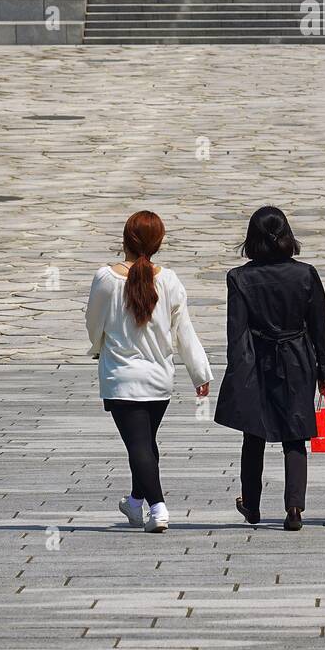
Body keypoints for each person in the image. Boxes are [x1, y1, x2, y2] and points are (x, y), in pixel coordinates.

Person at [85, 211, 212, 533]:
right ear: (159, 243)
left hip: (121, 377)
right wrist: (200, 373)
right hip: (158, 379)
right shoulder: (168, 279)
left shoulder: (106, 278)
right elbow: (184, 331)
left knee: (139, 445)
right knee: (144, 444)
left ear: (125, 239)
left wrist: (99, 344)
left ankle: (158, 508)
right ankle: (134, 501)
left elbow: (93, 323)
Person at [214, 207, 325, 532]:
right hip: (297, 358)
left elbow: (236, 331)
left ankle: (251, 504)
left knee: (254, 433)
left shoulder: (239, 277)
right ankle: (294, 508)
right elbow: (319, 324)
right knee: (295, 435)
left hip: (256, 358)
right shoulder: (306, 274)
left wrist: (237, 372)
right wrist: (324, 367)